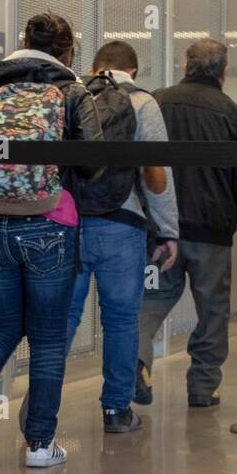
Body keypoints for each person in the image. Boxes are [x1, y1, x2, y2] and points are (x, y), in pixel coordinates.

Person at [0, 12, 102, 469]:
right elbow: (95, 163)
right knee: (49, 339)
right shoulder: (73, 92)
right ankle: (39, 445)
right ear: (69, 52)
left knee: (1, 325)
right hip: (49, 225)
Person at [134, 39, 237, 409]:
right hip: (211, 233)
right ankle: (203, 387)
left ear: (184, 64)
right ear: (223, 72)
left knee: (151, 300)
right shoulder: (236, 116)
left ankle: (137, 362)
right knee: (212, 310)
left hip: (161, 229)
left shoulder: (156, 102)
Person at [62, 41, 178, 433]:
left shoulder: (71, 96)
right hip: (122, 225)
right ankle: (115, 411)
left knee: (63, 318)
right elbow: (155, 175)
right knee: (121, 320)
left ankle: (40, 406)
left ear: (95, 67)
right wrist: (167, 230)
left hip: (71, 224)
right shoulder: (144, 103)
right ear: (135, 71)